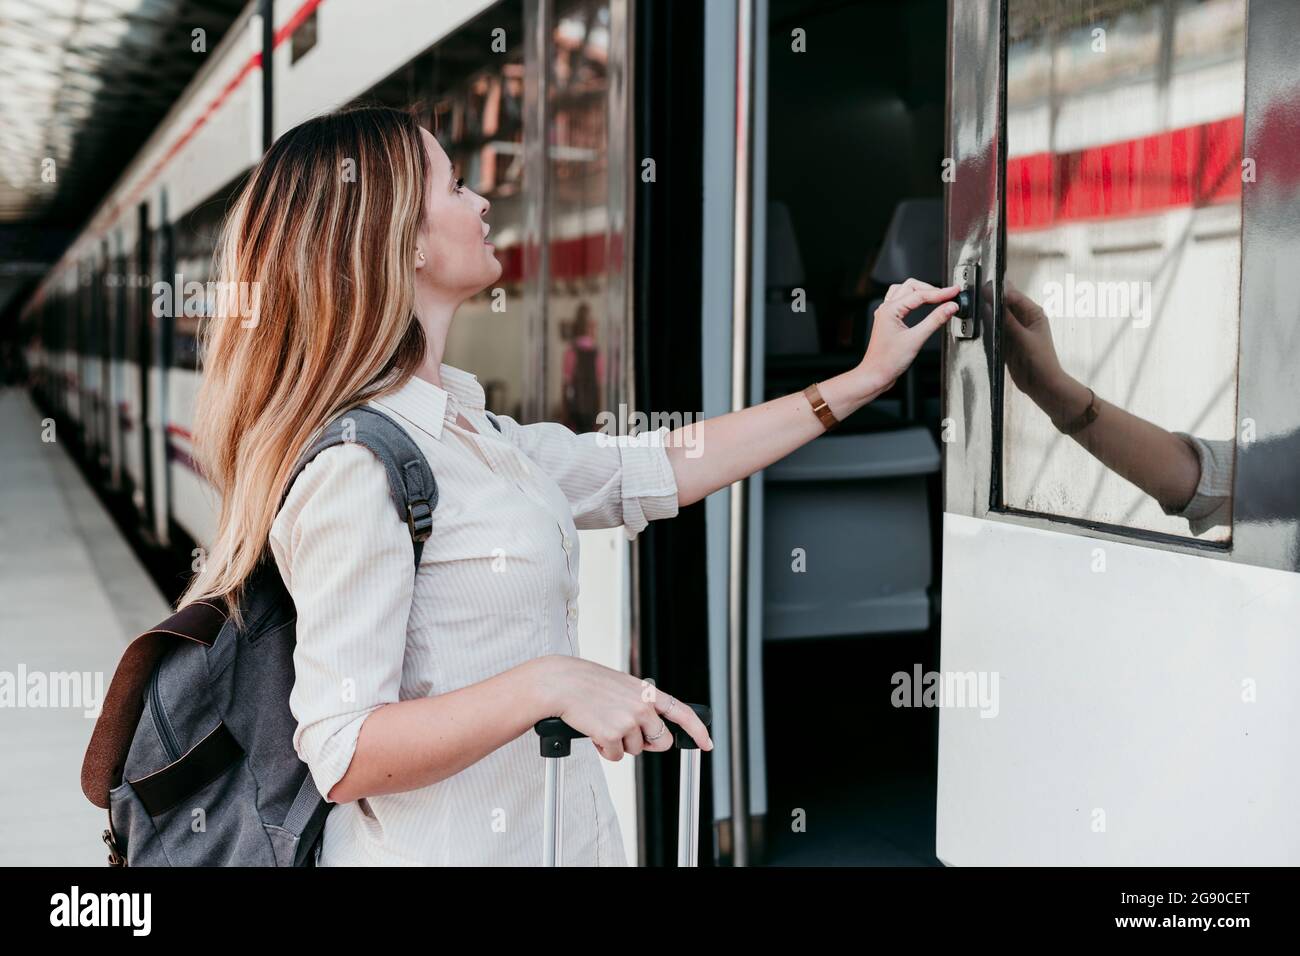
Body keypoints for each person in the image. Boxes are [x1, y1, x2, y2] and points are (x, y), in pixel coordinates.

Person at [173, 105, 959, 865]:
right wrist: (549, 683)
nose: (483, 202)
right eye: (455, 187)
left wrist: (860, 381)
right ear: (401, 241)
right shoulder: (356, 468)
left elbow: (658, 466)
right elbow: (342, 750)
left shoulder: (473, 431)